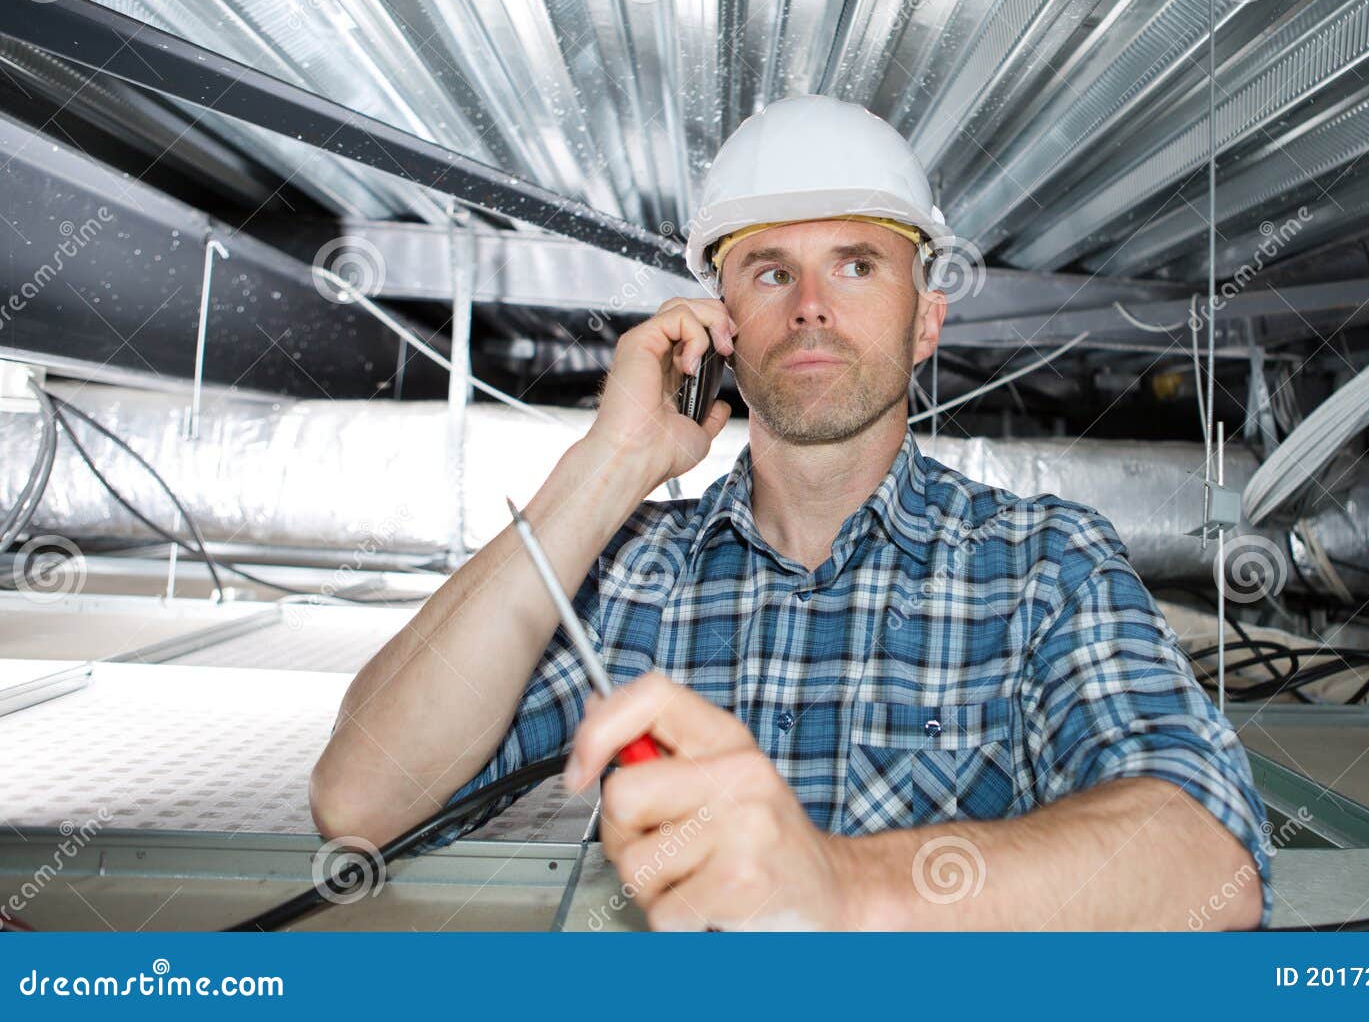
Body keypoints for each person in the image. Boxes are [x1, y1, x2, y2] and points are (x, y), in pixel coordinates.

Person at [309, 94, 1272, 931]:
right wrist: (608, 468)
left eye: (856, 264)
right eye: (771, 270)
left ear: (925, 319)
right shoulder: (630, 574)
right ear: (720, 322)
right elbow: (363, 798)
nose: (810, 304)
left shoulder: (1043, 567)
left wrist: (839, 888)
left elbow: (1207, 857)